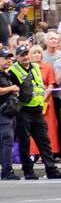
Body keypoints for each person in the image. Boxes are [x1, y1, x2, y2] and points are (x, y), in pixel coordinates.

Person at [6, 44, 61, 180]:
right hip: (23, 111)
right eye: (22, 55)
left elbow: (40, 86)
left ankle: (51, 169)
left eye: (26, 54)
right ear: (17, 57)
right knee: (25, 143)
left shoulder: (35, 67)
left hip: (37, 110)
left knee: (44, 141)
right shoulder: (13, 70)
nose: (25, 57)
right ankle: (28, 171)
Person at [0, 47, 19, 180]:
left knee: (6, 141)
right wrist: (11, 88)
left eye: (10, 58)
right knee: (7, 140)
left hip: (9, 112)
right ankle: (7, 171)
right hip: (2, 112)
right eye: (5, 58)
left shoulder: (6, 74)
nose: (9, 60)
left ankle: (7, 170)